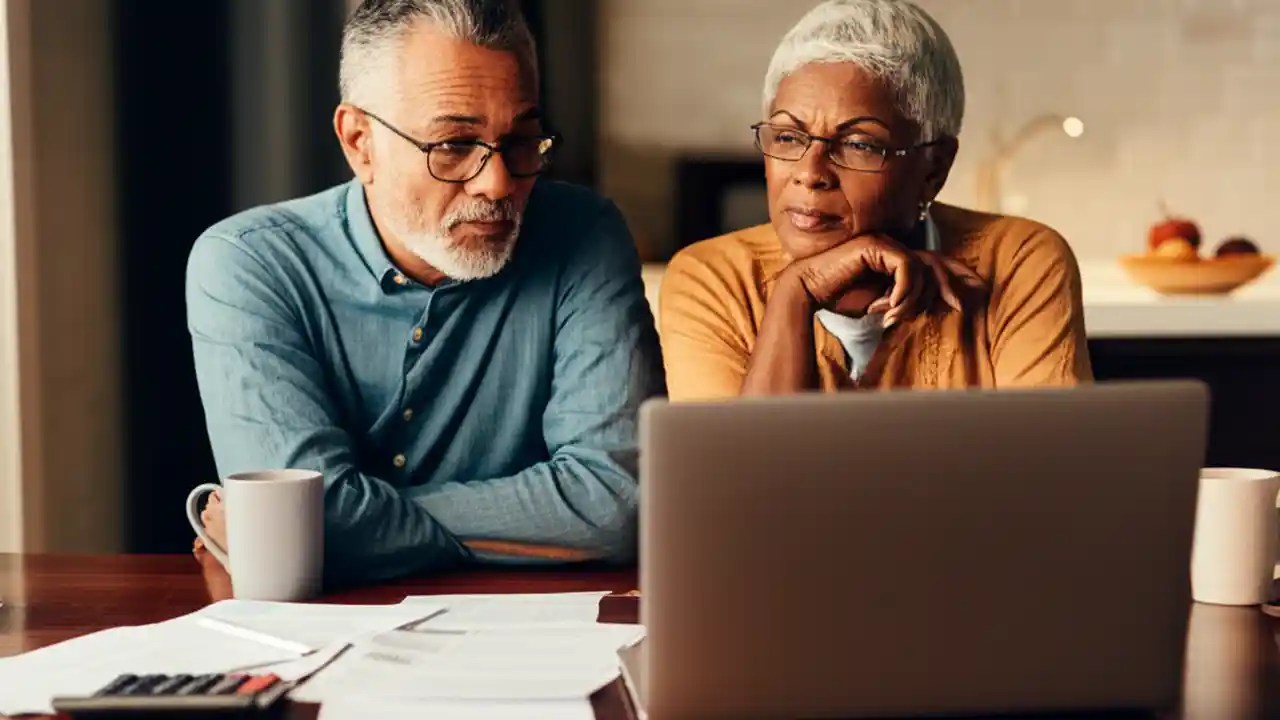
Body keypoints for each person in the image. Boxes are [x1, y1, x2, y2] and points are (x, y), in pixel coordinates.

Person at [186, 0, 663, 582]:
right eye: (454, 145)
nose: (498, 183)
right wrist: (532, 520)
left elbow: (617, 505)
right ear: (359, 141)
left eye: (520, 141)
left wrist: (336, 526)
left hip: (532, 640)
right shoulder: (249, 262)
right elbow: (300, 527)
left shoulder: (584, 234)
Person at [659, 0, 1092, 400]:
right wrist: (797, 292)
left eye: (860, 145)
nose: (810, 174)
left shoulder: (1018, 263)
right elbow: (739, 481)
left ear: (933, 169)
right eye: (789, 137)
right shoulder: (711, 280)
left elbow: (1046, 476)